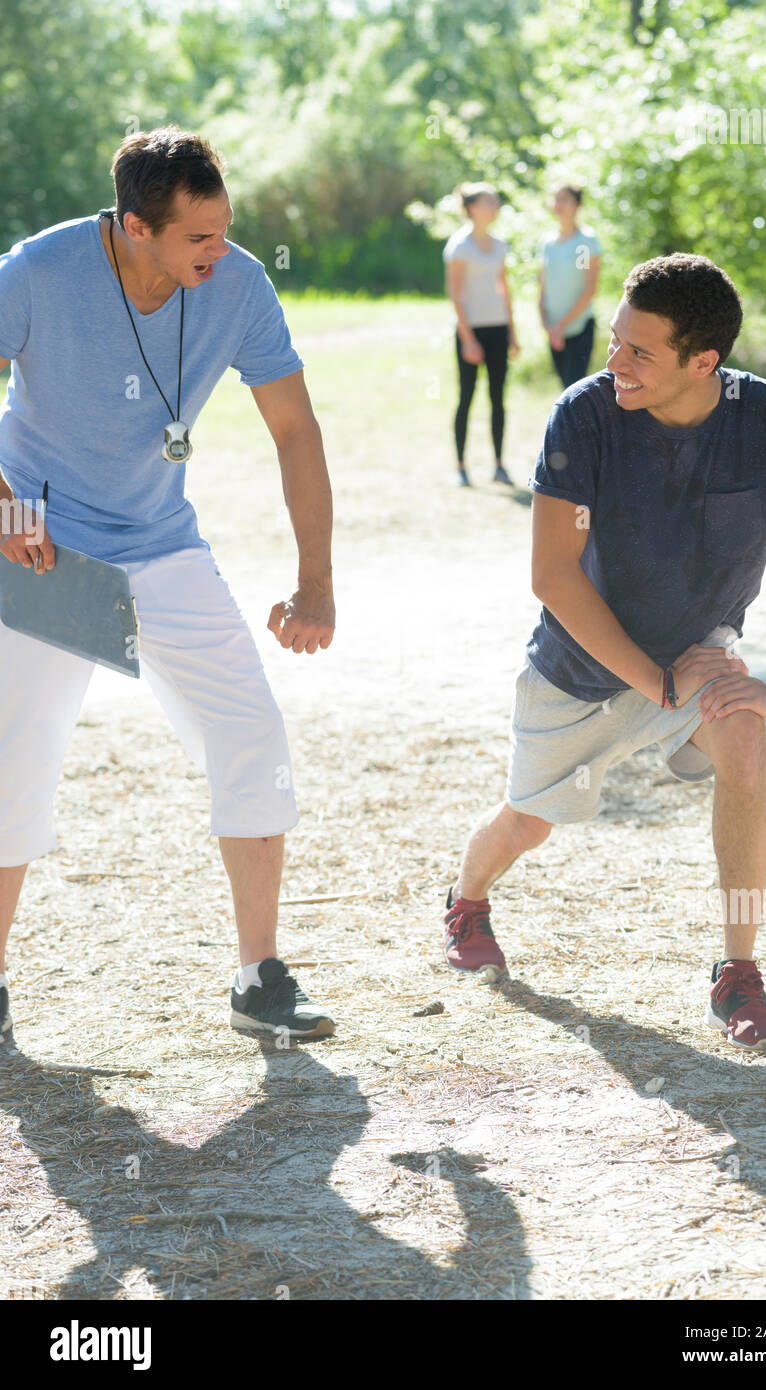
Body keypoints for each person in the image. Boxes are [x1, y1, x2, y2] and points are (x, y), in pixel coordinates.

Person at [442, 253, 766, 1053]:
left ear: (703, 361)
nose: (615, 364)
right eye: (614, 342)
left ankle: (737, 971)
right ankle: (466, 899)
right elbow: (552, 575)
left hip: (694, 661)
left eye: (639, 352)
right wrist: (656, 681)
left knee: (744, 732)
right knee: (526, 823)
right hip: (580, 672)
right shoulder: (583, 414)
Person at [0, 127, 338, 1044]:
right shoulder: (37, 271)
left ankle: (258, 978)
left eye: (225, 230)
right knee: (13, 765)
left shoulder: (237, 284)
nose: (219, 252)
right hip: (38, 545)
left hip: (160, 539)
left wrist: (316, 582)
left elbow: (295, 430)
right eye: (199, 238)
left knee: (250, 731)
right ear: (135, 227)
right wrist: (5, 509)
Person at [443, 183, 519, 487]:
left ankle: (499, 464)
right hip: (471, 330)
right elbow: (456, 294)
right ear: (472, 207)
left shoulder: (499, 245)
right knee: (467, 397)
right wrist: (468, 339)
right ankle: (461, 466)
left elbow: (503, 288)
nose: (494, 206)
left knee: (498, 398)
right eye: (489, 202)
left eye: (496, 202)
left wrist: (512, 331)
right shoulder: (459, 246)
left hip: (498, 329)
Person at [538, 185, 602, 390]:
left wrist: (561, 326)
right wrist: (548, 325)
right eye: (556, 198)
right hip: (553, 329)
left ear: (577, 205)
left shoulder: (584, 242)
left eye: (565, 199)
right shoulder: (547, 243)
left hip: (578, 327)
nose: (559, 204)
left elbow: (588, 289)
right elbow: (542, 287)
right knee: (563, 389)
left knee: (573, 388)